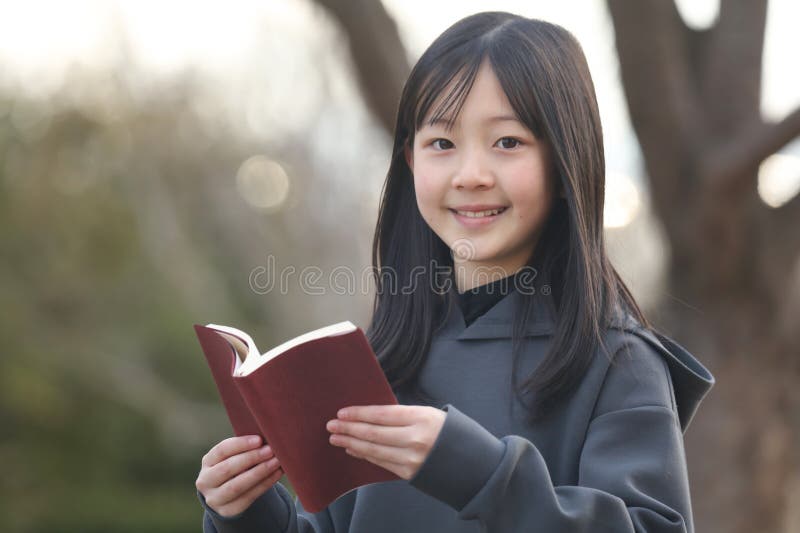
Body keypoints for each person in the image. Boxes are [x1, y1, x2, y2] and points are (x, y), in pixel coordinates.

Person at [195, 11, 715, 533]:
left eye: (507, 142)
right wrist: (249, 514)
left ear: (565, 162)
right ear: (410, 160)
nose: (471, 176)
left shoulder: (616, 362)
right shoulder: (377, 361)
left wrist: (477, 471)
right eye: (441, 143)